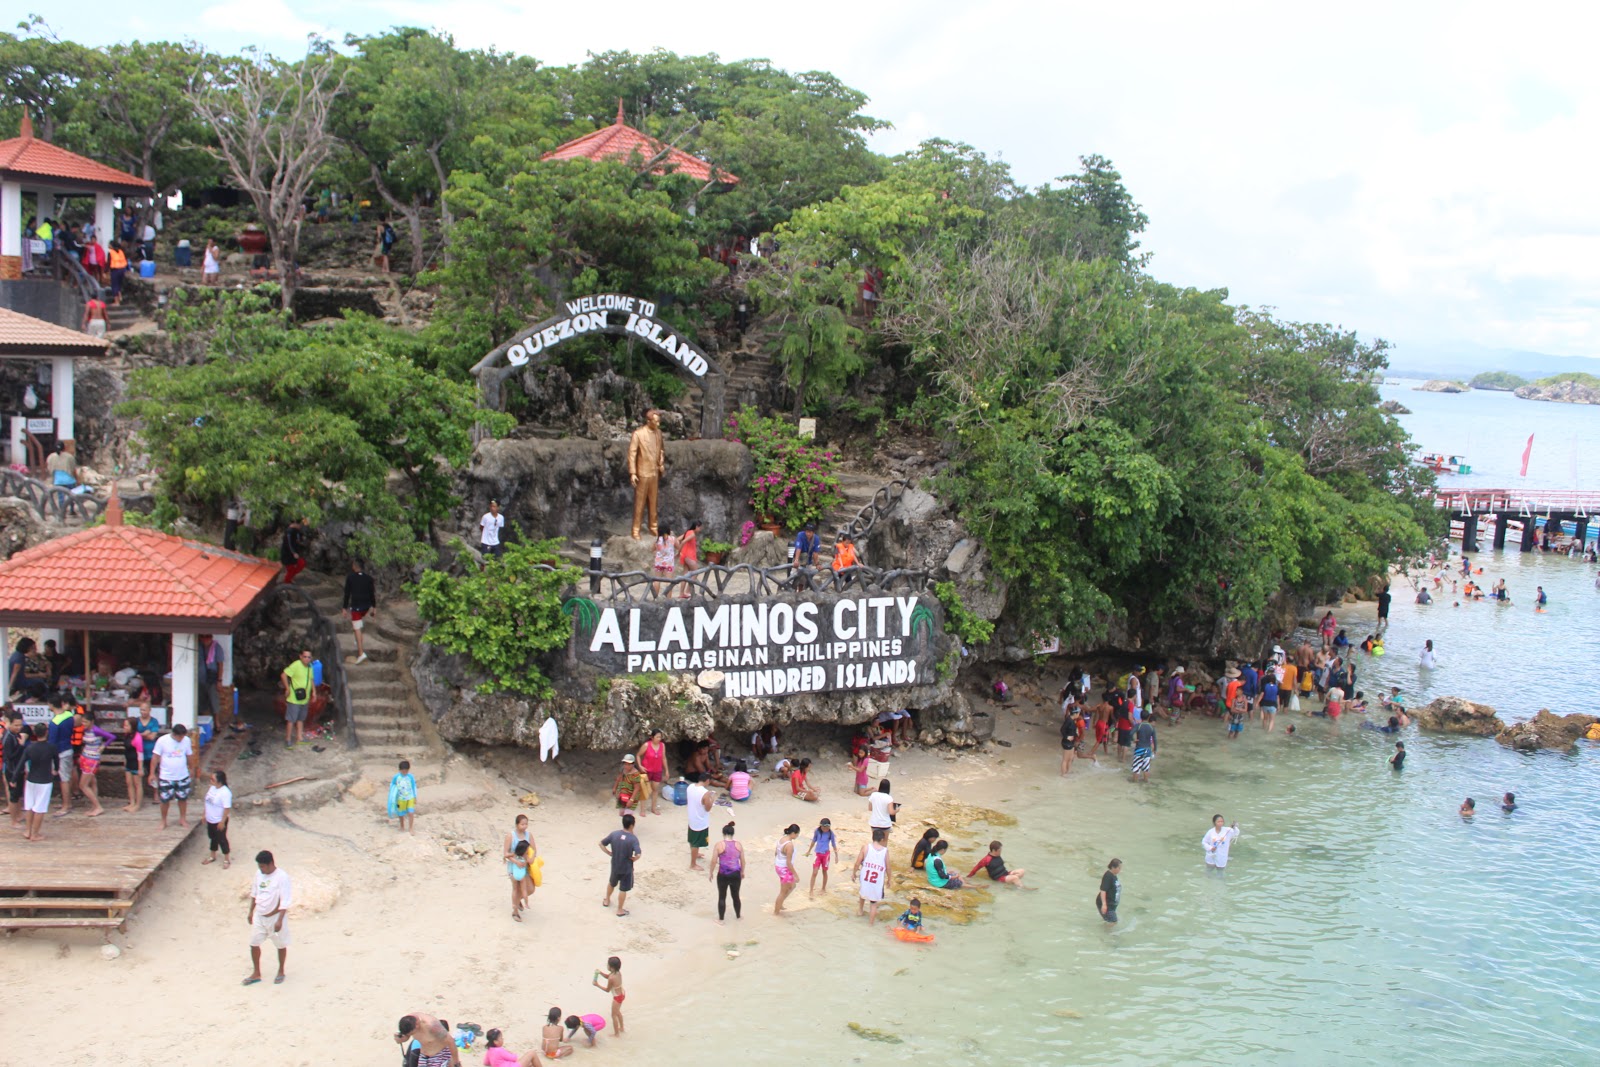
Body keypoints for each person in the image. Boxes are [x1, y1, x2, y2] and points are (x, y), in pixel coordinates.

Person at [244, 850, 292, 985]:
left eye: (263, 866)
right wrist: (251, 911)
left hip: (275, 917)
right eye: (259, 866)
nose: (261, 869)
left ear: (270, 863)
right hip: (260, 916)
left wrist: (280, 920)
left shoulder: (282, 877)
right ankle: (256, 973)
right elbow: (255, 893)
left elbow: (285, 900)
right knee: (254, 943)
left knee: (280, 945)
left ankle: (281, 971)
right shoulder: (259, 874)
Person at [148, 722, 196, 829]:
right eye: (180, 737)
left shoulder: (186, 740)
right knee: (164, 800)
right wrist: (152, 773)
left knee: (183, 799)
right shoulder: (162, 741)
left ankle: (182, 818)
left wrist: (192, 768)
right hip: (166, 776)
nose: (181, 739)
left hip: (182, 775)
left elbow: (189, 755)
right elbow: (155, 757)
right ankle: (163, 820)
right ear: (174, 734)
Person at [628, 410, 666, 539]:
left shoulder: (658, 433)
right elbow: (632, 454)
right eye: (656, 422)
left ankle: (653, 526)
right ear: (649, 421)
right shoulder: (638, 434)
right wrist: (633, 472)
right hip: (642, 473)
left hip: (654, 472)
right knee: (640, 503)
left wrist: (661, 462)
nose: (658, 424)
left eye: (659, 422)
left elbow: (661, 450)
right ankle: (636, 529)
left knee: (653, 502)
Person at [72, 709, 115, 817]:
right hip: (85, 756)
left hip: (92, 759)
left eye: (85, 722)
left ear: (91, 721)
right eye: (82, 722)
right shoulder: (86, 730)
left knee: (83, 785)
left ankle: (98, 806)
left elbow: (112, 737)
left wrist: (103, 746)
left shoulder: (96, 730)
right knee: (92, 782)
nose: (83, 724)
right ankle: (94, 806)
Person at [20, 723, 58, 842]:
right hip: (44, 780)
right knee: (40, 808)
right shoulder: (51, 747)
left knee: (29, 806)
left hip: (31, 779)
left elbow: (21, 763)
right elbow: (56, 761)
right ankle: (35, 834)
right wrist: (56, 770)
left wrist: (14, 778)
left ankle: (28, 830)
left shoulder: (30, 748)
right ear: (46, 732)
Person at [599, 813, 642, 917]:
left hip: (615, 865)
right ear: (632, 825)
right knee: (623, 889)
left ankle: (607, 900)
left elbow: (601, 843)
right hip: (626, 868)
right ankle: (619, 910)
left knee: (612, 883)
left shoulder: (614, 834)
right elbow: (638, 854)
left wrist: (609, 853)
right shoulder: (633, 839)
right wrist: (634, 859)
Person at [853, 826, 891, 924]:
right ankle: (870, 924)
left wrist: (854, 873)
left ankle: (860, 911)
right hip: (877, 881)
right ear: (882, 839)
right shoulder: (885, 851)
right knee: (873, 904)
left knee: (862, 894)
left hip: (865, 878)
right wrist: (889, 879)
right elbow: (888, 867)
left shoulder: (865, 848)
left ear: (872, 837)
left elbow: (857, 863)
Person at [343, 559, 378, 664]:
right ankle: (358, 641)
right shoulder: (368, 578)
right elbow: (372, 593)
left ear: (354, 566)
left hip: (356, 607)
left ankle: (361, 653)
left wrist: (344, 608)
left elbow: (347, 593)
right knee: (358, 625)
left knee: (357, 628)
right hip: (366, 607)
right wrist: (374, 607)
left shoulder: (350, 577)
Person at [709, 820, 744, 922]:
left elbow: (713, 861)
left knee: (722, 897)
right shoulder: (739, 845)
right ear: (733, 833)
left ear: (723, 833)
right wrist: (742, 872)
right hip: (736, 873)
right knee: (736, 896)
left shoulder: (719, 845)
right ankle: (738, 917)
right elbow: (743, 861)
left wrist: (711, 872)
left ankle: (721, 920)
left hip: (723, 874)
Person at [503, 814, 536, 921]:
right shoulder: (510, 836)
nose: (524, 826)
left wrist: (531, 859)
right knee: (516, 888)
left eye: (526, 824)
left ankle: (517, 901)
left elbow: (534, 849)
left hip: (524, 866)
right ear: (517, 824)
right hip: (514, 867)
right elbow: (506, 853)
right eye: (522, 824)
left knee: (530, 889)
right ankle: (515, 912)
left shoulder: (529, 835)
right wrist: (516, 861)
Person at [396, 1015, 460, 1067]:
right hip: (423, 1056)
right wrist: (400, 1039)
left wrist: (456, 1063)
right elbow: (406, 1036)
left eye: (412, 1033)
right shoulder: (409, 1021)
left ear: (417, 1024)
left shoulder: (432, 1026)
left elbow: (450, 1041)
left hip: (438, 1056)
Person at [281, 649, 315, 748]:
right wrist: (287, 688)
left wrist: (314, 692)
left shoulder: (310, 667)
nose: (307, 659)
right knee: (291, 719)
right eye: (305, 656)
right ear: (300, 656)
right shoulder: (296, 665)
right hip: (294, 698)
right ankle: (288, 739)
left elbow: (311, 679)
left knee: (301, 718)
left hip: (304, 697)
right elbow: (283, 675)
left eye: (309, 657)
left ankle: (299, 738)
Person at [203, 770, 233, 867]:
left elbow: (226, 808)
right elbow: (207, 802)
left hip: (218, 820)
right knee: (212, 838)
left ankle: (226, 859)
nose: (211, 781)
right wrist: (204, 814)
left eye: (213, 779)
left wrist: (222, 821)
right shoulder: (212, 788)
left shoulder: (225, 792)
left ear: (219, 781)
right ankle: (212, 856)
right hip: (210, 819)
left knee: (222, 839)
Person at [636, 729, 668, 814]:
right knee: (644, 790)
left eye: (660, 737)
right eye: (657, 737)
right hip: (646, 770)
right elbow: (638, 755)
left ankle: (653, 808)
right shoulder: (646, 745)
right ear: (652, 737)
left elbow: (664, 758)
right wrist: (640, 766)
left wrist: (666, 770)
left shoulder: (662, 745)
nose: (659, 739)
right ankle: (643, 810)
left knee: (655, 789)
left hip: (657, 770)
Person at [591, 956, 625, 1036]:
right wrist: (600, 973)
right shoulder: (617, 972)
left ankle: (616, 1034)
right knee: (617, 1012)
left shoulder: (611, 978)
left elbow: (607, 990)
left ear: (611, 967)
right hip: (622, 993)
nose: (607, 965)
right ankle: (622, 1028)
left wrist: (597, 985)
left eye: (608, 964)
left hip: (617, 997)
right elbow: (608, 976)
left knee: (613, 1015)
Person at [2, 713, 25, 828]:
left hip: (18, 768)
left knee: (18, 794)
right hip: (12, 770)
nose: (18, 727)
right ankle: (13, 821)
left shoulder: (15, 734)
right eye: (16, 725)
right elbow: (9, 757)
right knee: (13, 796)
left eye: (20, 725)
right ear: (10, 724)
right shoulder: (8, 737)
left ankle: (19, 815)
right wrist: (21, 746)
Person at [773, 822, 800, 916]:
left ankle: (780, 904)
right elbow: (788, 863)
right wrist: (796, 875)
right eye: (797, 834)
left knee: (792, 886)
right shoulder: (789, 845)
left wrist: (779, 863)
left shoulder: (781, 839)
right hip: (784, 869)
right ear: (793, 833)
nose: (797, 836)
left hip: (779, 867)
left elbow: (776, 853)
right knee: (783, 892)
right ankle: (776, 912)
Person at [805, 817, 836, 896]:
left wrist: (836, 856)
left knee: (824, 871)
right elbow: (813, 840)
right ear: (821, 826)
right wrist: (809, 851)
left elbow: (833, 844)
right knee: (814, 872)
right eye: (823, 827)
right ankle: (811, 890)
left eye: (827, 827)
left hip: (826, 855)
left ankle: (823, 888)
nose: (825, 829)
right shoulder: (817, 831)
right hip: (818, 854)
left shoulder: (830, 834)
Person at [388, 760, 418, 832]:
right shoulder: (396, 777)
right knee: (401, 813)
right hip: (400, 798)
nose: (404, 772)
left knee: (411, 812)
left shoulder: (410, 777)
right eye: (403, 771)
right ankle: (402, 826)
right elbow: (392, 785)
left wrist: (415, 797)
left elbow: (413, 786)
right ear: (400, 770)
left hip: (410, 797)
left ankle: (411, 828)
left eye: (406, 771)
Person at [280, 518, 309, 584]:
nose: (300, 526)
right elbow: (289, 543)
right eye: (299, 525)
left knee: (301, 563)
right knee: (291, 569)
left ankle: (289, 578)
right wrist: (293, 552)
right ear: (295, 523)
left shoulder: (297, 531)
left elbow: (305, 526)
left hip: (295, 553)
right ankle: (287, 581)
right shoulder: (289, 531)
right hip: (288, 554)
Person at [651, 523, 677, 595]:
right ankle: (668, 599)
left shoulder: (657, 540)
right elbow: (679, 546)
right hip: (669, 563)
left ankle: (655, 597)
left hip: (659, 562)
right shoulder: (672, 539)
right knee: (669, 581)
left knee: (657, 580)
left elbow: (652, 549)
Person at [1097, 859, 1122, 925]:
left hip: (1111, 904)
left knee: (1111, 921)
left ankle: (1105, 929)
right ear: (1113, 867)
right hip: (1107, 904)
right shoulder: (1108, 876)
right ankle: (1105, 931)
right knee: (1113, 922)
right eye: (1119, 868)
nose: (1120, 870)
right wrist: (1104, 905)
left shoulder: (1113, 875)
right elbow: (1103, 890)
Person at [1132, 718, 1157, 782]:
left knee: (1137, 767)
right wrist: (1155, 750)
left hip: (1139, 748)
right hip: (1148, 749)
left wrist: (1133, 740)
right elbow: (1155, 739)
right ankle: (1146, 781)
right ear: (1148, 717)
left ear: (1141, 717)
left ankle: (1135, 782)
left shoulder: (1138, 726)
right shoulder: (1151, 727)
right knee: (1146, 768)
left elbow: (1130, 733)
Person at [1061, 706, 1081, 775]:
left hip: (1071, 742)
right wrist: (1067, 737)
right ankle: (1063, 774)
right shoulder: (1068, 720)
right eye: (1078, 713)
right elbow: (1062, 730)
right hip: (1067, 742)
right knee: (1065, 760)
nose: (1079, 715)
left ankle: (1068, 771)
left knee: (1070, 758)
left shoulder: (1072, 720)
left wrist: (1076, 733)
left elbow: (1071, 730)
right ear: (1075, 714)